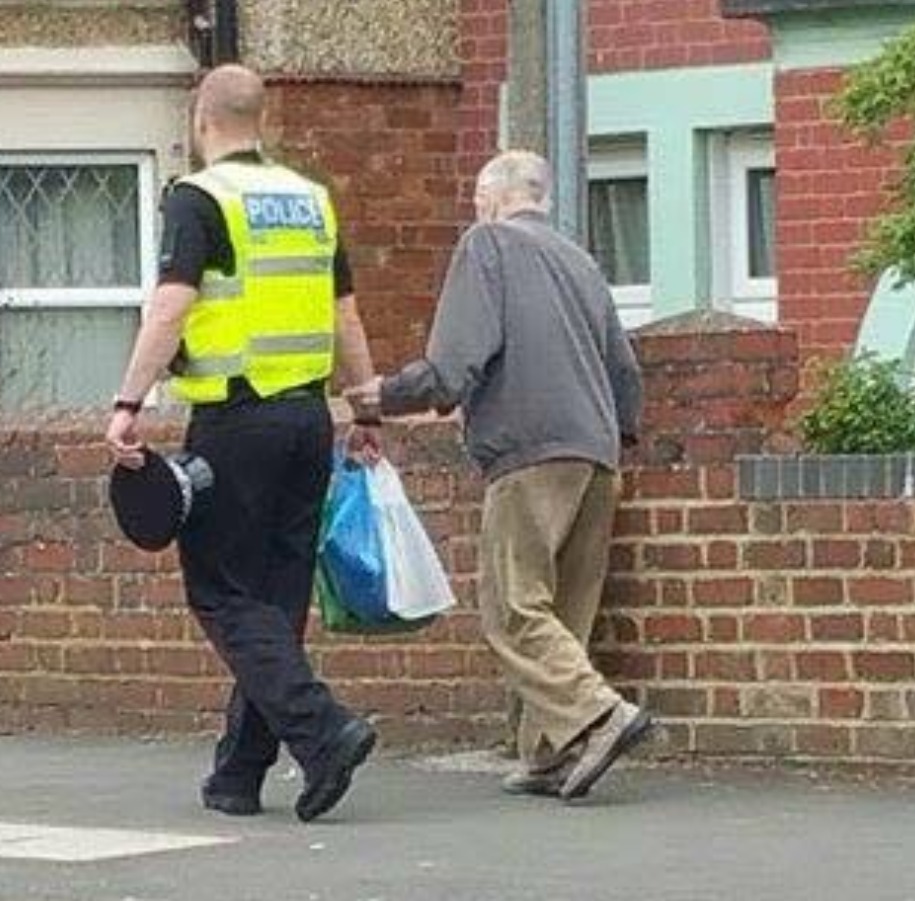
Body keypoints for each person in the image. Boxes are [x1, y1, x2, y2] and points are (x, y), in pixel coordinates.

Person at [104, 64, 381, 823]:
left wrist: (130, 400)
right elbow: (345, 315)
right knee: (278, 599)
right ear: (262, 120)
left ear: (201, 120)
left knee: (222, 592)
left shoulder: (200, 197)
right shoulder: (310, 200)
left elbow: (172, 302)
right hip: (307, 420)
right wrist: (366, 410)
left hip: (236, 423)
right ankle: (238, 773)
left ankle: (323, 730)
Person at [347, 151, 651, 801]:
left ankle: (601, 714)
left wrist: (382, 396)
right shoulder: (580, 259)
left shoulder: (486, 245)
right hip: (597, 452)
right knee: (564, 611)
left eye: (477, 203)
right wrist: (616, 432)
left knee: (513, 606)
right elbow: (625, 369)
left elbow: (454, 365)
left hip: (529, 448)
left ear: (492, 199)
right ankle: (549, 750)